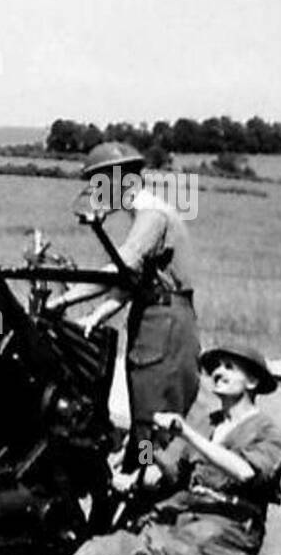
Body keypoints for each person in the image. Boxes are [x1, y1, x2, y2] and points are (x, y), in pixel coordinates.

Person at [13, 345, 281, 555]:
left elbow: (246, 471)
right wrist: (143, 457)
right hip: (181, 519)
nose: (219, 372)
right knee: (114, 544)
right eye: (216, 366)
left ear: (252, 381)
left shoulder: (269, 433)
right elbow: (166, 475)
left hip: (225, 532)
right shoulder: (208, 422)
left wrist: (186, 433)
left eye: (229, 367)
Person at [45, 141, 200, 471]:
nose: (95, 194)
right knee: (145, 408)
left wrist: (66, 299)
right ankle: (140, 474)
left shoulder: (152, 216)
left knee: (153, 418)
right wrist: (96, 315)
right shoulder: (148, 215)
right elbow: (133, 283)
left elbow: (122, 268)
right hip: (155, 318)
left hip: (164, 323)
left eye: (97, 185)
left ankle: (144, 482)